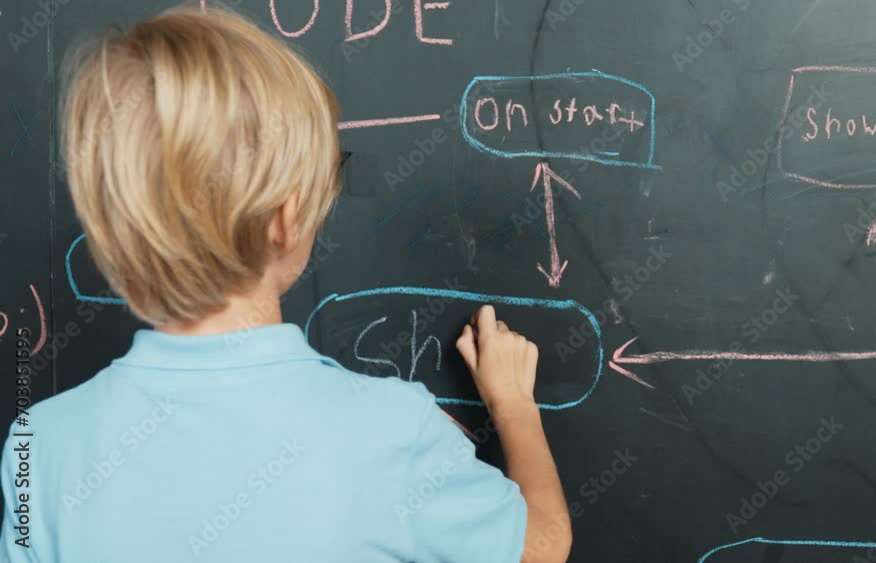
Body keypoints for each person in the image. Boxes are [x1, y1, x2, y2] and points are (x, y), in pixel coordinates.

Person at [0, 5, 571, 562]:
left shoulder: (37, 447)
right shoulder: (390, 430)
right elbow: (542, 550)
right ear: (286, 217)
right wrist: (514, 406)